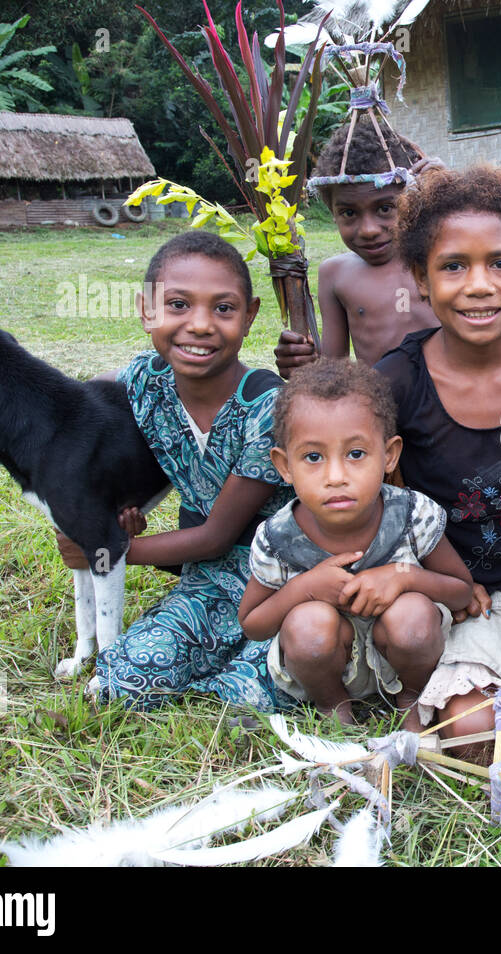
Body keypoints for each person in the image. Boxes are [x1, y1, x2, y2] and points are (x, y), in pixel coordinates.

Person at [374, 164, 501, 739]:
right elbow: (393, 506)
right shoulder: (396, 383)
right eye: (453, 266)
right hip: (446, 595)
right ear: (420, 277)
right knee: (472, 731)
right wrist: (450, 582)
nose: (479, 285)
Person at [57, 231, 294, 711]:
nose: (200, 325)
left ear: (249, 316)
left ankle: (259, 667)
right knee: (120, 682)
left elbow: (217, 536)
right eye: (178, 305)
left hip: (283, 582)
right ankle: (207, 653)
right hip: (206, 581)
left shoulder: (268, 407)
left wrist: (106, 550)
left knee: (260, 690)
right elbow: (85, 407)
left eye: (223, 309)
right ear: (147, 310)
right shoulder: (146, 380)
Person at [237, 358, 474, 730]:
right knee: (307, 623)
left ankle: (410, 695)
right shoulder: (278, 538)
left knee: (412, 615)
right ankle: (333, 704)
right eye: (313, 457)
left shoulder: (412, 515)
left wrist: (405, 577)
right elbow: (253, 624)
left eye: (356, 454)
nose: (336, 476)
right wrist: (304, 588)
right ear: (284, 466)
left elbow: (461, 592)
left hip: (405, 649)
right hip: (324, 659)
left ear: (390, 455)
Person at [274, 118, 440, 373]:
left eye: (385, 208)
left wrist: (448, 189)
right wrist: (303, 364)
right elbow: (334, 370)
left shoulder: (441, 260)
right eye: (349, 213)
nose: (369, 230)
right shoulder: (335, 274)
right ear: (331, 211)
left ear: (414, 200)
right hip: (380, 408)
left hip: (450, 406)